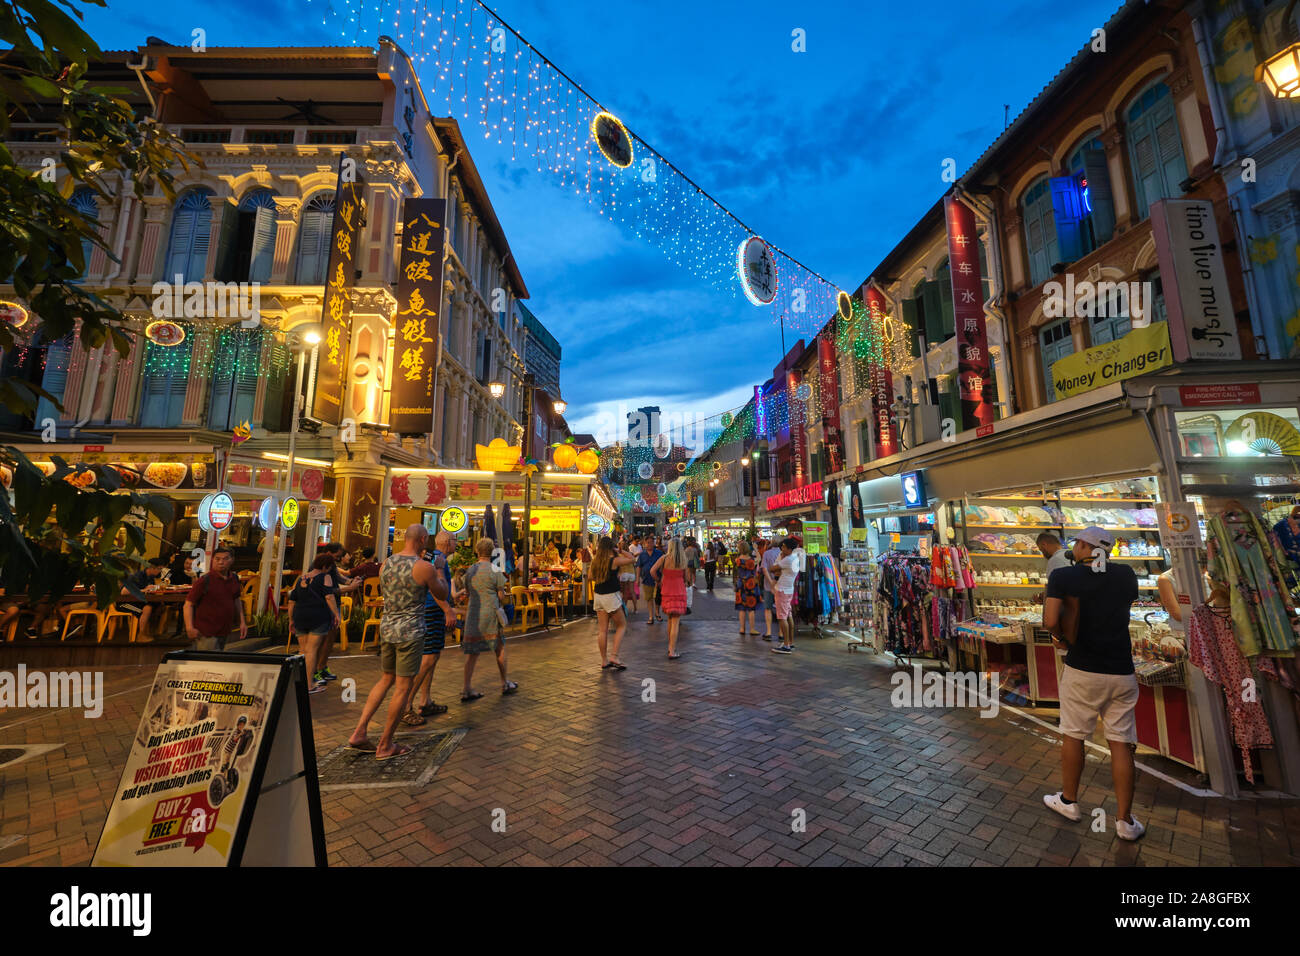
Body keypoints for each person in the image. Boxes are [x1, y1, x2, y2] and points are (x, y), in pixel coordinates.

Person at [1041, 526, 1145, 841]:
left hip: (1082, 668)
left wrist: (1060, 638)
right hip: (1121, 670)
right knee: (1121, 743)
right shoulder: (1126, 575)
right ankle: (1125, 821)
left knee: (1074, 735)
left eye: (1078, 543)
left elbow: (1049, 621)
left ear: (1086, 546)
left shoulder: (1064, 577)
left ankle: (1069, 801)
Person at [346, 525, 448, 761]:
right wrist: (440, 571)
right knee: (403, 687)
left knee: (385, 679)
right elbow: (441, 594)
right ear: (423, 540)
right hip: (410, 632)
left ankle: (360, 730)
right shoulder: (425, 567)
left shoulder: (387, 564)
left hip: (387, 628)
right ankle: (385, 744)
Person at [405, 530, 456, 723]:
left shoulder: (434, 556)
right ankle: (407, 705)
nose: (457, 544)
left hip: (432, 610)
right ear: (447, 542)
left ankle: (425, 701)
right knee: (428, 658)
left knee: (433, 657)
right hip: (431, 611)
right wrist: (447, 609)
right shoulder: (437, 558)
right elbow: (434, 587)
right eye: (455, 541)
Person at [461, 537, 517, 701]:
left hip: (474, 615)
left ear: (477, 551)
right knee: (499, 648)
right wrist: (502, 595)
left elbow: (468, 592)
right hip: (491, 614)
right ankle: (504, 682)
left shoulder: (470, 570)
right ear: (492, 552)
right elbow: (501, 595)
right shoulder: (495, 570)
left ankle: (466, 688)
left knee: (472, 653)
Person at [286, 554, 342, 694]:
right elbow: (329, 597)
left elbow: (292, 601)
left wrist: (291, 619)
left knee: (302, 650)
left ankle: (298, 682)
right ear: (325, 566)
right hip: (318, 617)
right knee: (312, 651)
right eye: (329, 567)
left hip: (300, 616)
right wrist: (336, 614)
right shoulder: (325, 577)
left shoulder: (302, 578)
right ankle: (309, 685)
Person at [183, 547, 247, 650]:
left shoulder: (234, 578)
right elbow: (188, 604)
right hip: (206, 632)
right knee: (205, 662)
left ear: (232, 560)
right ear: (212, 560)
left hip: (225, 630)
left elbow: (236, 600)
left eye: (225, 559)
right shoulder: (204, 580)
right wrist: (189, 627)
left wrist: (242, 622)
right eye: (217, 559)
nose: (221, 562)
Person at [591, 536, 634, 671]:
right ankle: (614, 656)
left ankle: (604, 660)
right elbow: (632, 559)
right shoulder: (614, 561)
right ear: (611, 547)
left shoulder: (595, 562)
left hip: (598, 596)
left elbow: (591, 577)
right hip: (611, 596)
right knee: (621, 625)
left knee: (602, 630)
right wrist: (620, 550)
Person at [652, 539, 689, 659]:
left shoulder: (664, 558)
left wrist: (658, 580)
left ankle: (670, 647)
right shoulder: (683, 560)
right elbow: (687, 578)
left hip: (666, 590)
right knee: (675, 622)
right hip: (679, 591)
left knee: (669, 619)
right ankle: (672, 650)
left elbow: (652, 570)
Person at [118, 557, 168, 640]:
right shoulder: (137, 576)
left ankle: (147, 632)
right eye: (159, 569)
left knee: (157, 605)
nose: (160, 571)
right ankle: (140, 635)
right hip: (124, 603)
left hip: (136, 601)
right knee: (146, 609)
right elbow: (123, 592)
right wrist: (144, 590)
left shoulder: (150, 577)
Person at [766, 537, 799, 654]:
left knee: (782, 617)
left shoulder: (788, 559)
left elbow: (772, 568)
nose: (782, 548)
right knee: (788, 615)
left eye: (784, 547)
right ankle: (790, 642)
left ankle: (786, 645)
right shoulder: (795, 558)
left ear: (789, 549)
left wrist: (779, 560)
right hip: (789, 589)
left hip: (782, 591)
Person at [733, 540, 761, 635]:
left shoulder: (737, 560)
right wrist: (756, 549)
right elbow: (759, 558)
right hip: (751, 584)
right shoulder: (752, 560)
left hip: (741, 584)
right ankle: (752, 629)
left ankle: (742, 628)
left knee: (742, 607)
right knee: (751, 607)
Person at [636, 534, 664, 625]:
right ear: (644, 543)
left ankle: (657, 613)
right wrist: (637, 579)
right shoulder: (642, 555)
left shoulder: (659, 553)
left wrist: (661, 579)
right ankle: (651, 616)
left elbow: (663, 566)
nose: (650, 544)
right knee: (649, 598)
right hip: (646, 579)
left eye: (652, 542)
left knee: (657, 598)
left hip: (657, 580)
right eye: (648, 542)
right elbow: (639, 567)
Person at [758, 538, 780, 640]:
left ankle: (769, 632)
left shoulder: (767, 554)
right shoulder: (783, 553)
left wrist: (770, 581)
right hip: (780, 585)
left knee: (768, 608)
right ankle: (781, 633)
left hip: (768, 585)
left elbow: (764, 569)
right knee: (781, 609)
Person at [622, 535, 642, 614]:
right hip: (632, 573)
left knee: (625, 592)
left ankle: (625, 609)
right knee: (632, 591)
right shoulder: (630, 554)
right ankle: (636, 609)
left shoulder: (621, 555)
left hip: (624, 574)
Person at [683, 537, 700, 615]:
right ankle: (693, 583)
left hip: (688, 562)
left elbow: (684, 557)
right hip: (694, 562)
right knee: (694, 573)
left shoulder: (686, 549)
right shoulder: (695, 549)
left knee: (688, 572)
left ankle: (689, 582)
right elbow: (697, 556)